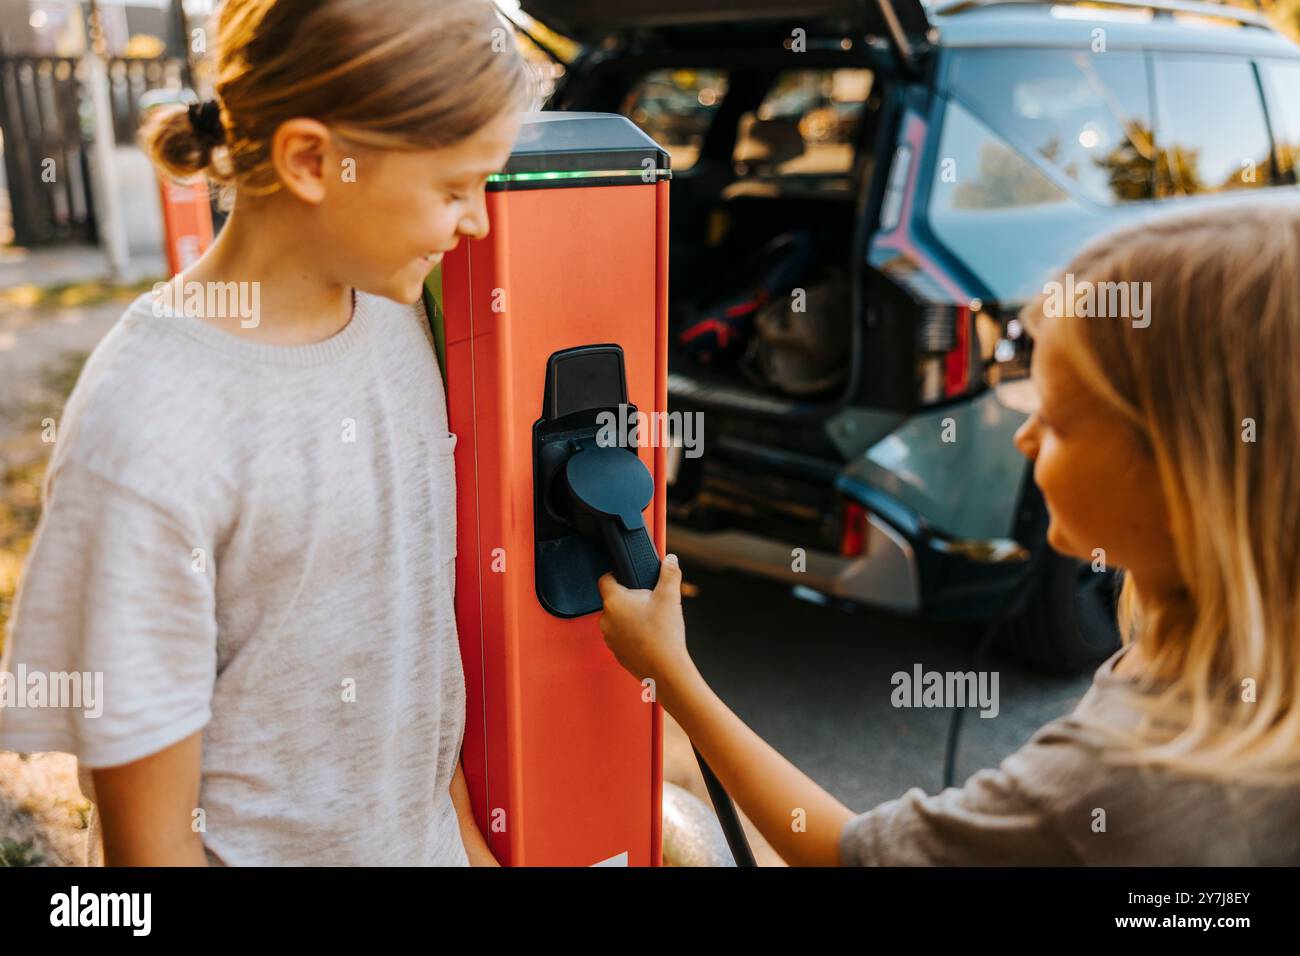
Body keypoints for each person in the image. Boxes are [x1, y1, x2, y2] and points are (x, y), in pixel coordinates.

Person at [597, 202, 1300, 865]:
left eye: (1053, 420)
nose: (1023, 438)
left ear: (1180, 470)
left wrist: (674, 678)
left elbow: (854, 857)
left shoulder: (1125, 773)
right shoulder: (1230, 653)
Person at [0, 0, 532, 865]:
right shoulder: (148, 427)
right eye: (453, 189)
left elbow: (414, 665)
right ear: (314, 160)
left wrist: (465, 846)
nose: (476, 222)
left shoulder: (396, 321)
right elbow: (150, 853)